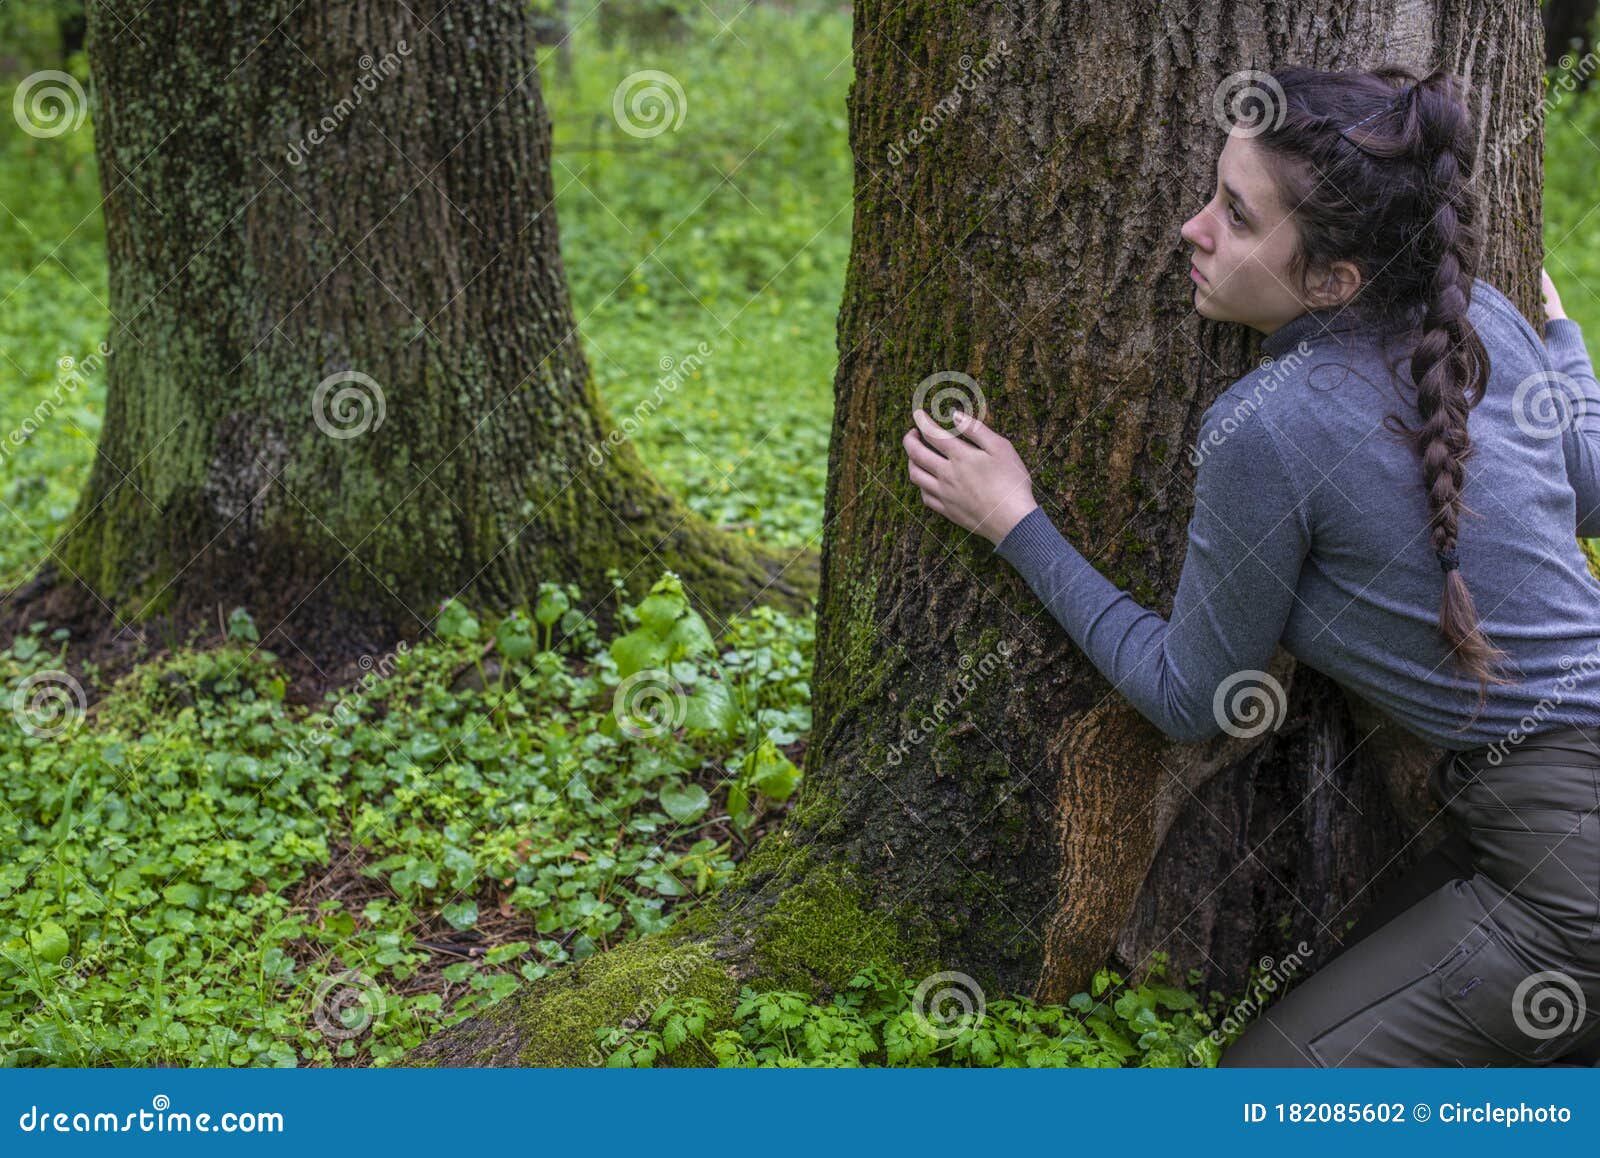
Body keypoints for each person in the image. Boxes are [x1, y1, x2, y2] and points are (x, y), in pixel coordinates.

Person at [900, 63, 1600, 1065]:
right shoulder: (1482, 316)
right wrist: (1561, 342)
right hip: (1538, 836)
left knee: (1260, 1099)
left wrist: (1015, 521)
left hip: (1569, 878)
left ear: (1333, 281)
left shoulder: (1268, 426)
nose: (1189, 228)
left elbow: (1192, 698)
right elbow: (1589, 484)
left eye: (1235, 215)